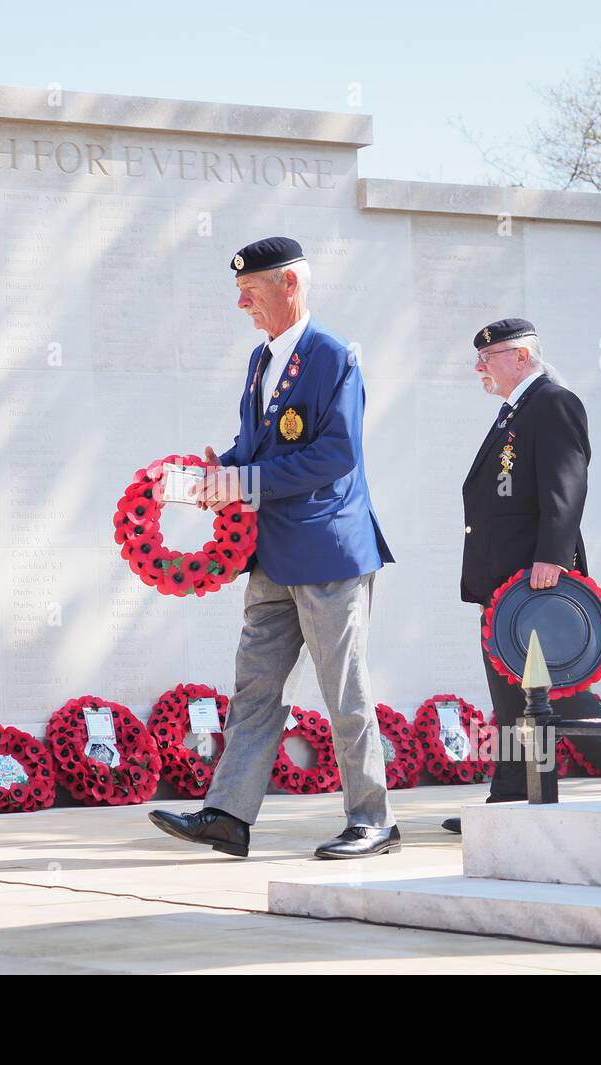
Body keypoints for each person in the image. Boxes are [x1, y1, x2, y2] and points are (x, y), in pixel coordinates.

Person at [147, 236, 397, 859]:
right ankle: (229, 815)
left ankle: (373, 819)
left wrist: (246, 481)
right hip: (270, 555)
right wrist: (216, 473)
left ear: (289, 285)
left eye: (251, 290)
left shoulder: (334, 357)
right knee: (254, 691)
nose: (241, 303)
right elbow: (258, 447)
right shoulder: (263, 360)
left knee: (345, 691)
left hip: (328, 555)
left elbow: (336, 455)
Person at [443, 318, 601, 834]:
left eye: (488, 357)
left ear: (523, 358)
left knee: (559, 693)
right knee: (510, 701)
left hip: (536, 583)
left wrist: (552, 557)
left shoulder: (553, 402)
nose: (479, 367)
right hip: (503, 586)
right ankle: (513, 799)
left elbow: (566, 484)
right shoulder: (515, 411)